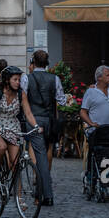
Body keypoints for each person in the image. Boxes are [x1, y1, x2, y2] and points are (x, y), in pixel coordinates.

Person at [21, 50, 64, 205]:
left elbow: (23, 97)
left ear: (33, 62)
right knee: (46, 152)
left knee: (39, 156)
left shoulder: (27, 78)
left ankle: (45, 193)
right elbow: (61, 100)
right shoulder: (55, 79)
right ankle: (43, 189)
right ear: (47, 63)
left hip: (34, 120)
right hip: (50, 119)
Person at [0, 66, 40, 184]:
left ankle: (19, 198)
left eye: (19, 80)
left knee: (15, 164)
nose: (18, 82)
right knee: (2, 147)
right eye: (15, 80)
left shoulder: (21, 94)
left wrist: (36, 126)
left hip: (13, 126)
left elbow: (28, 113)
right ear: (7, 80)